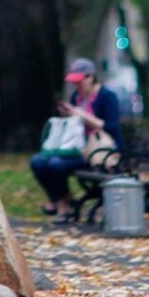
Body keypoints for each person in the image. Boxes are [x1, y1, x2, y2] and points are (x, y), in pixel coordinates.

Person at [30, 57, 127, 220]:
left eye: (80, 81)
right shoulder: (77, 96)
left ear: (90, 77)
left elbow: (113, 127)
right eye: (74, 81)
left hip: (100, 152)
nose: (76, 85)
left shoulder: (107, 96)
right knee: (38, 161)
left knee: (56, 164)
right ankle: (61, 199)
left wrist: (82, 115)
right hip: (77, 148)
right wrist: (68, 114)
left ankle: (63, 206)